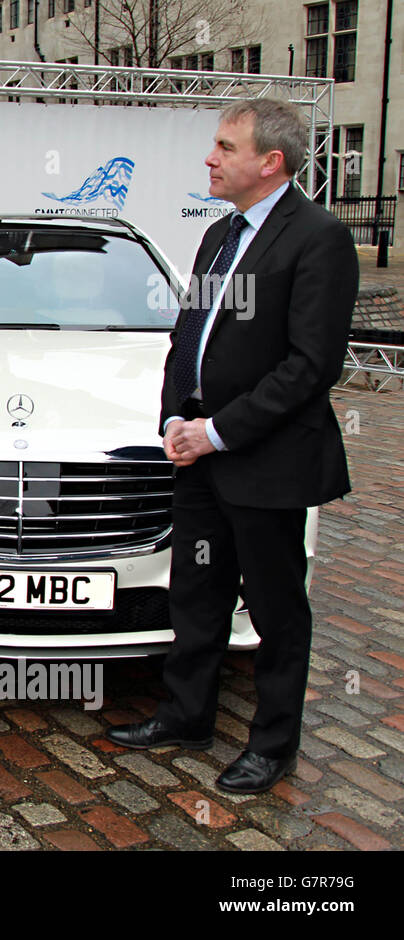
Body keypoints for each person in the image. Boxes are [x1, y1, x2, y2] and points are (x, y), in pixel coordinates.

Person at [106, 98, 358, 794]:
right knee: (197, 592)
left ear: (269, 162)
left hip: (266, 462)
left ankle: (272, 746)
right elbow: (187, 338)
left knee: (277, 611)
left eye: (224, 147)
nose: (209, 159)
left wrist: (216, 432)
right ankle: (186, 716)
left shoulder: (319, 238)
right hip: (198, 456)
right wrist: (173, 420)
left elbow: (311, 366)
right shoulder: (219, 234)